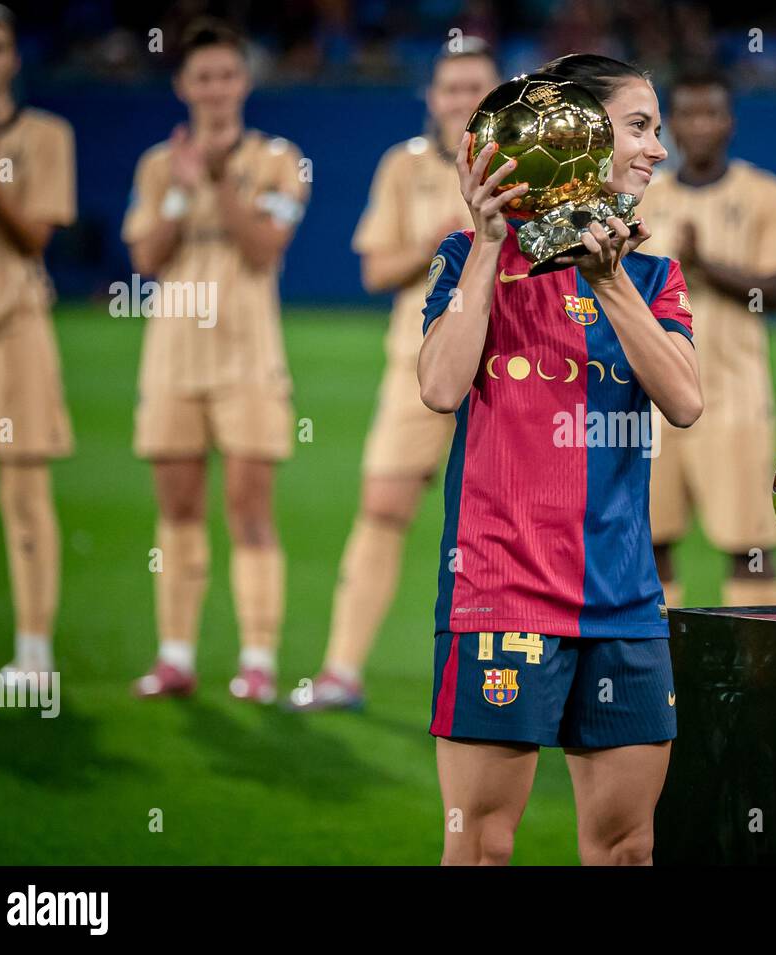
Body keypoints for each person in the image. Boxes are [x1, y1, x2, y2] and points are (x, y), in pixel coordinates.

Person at [419, 54, 701, 864]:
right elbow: (440, 386)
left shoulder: (651, 275)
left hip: (623, 600)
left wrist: (608, 281)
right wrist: (485, 246)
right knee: (481, 848)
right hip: (499, 593)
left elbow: (684, 401)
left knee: (627, 850)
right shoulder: (475, 260)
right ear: (578, 133)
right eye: (640, 127)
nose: (658, 148)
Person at [287, 39, 497, 712]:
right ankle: (342, 669)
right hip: (421, 361)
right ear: (431, 98)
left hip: (506, 366)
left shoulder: (528, 166)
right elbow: (375, 271)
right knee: (382, 507)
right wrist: (435, 240)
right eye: (452, 88)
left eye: (477, 88)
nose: (463, 100)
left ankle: (504, 684)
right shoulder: (402, 167)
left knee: (499, 526)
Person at [123, 18, 309, 703]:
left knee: (250, 509)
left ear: (245, 81)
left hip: (249, 359)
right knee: (176, 507)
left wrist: (216, 180)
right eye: (202, 76)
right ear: (183, 85)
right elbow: (146, 258)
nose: (215, 88)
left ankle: (258, 658)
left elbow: (264, 248)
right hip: (172, 356)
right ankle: (175, 655)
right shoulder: (156, 164)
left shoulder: (278, 159)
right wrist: (178, 189)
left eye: (227, 75)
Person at [641, 69, 776, 611]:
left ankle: (752, 684)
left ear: (729, 122)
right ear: (671, 126)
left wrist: (706, 265)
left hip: (734, 398)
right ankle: (658, 680)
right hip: (653, 398)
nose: (699, 125)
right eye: (687, 114)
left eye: (711, 113)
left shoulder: (765, 193)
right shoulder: (643, 196)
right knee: (652, 542)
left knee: (749, 545)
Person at [0, 2, 75, 682]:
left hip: (16, 321)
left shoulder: (45, 135)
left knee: (23, 484)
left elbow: (33, 236)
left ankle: (34, 652)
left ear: (14, 60)